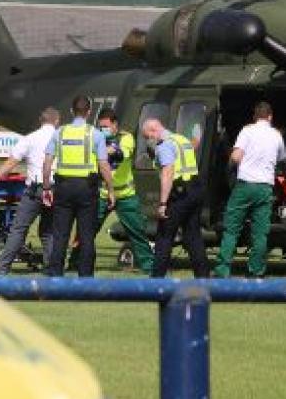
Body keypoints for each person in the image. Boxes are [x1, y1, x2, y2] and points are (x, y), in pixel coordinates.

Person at [41, 96, 116, 277]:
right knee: (86, 236)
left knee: (60, 235)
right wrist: (111, 190)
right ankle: (85, 277)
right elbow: (104, 165)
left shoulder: (60, 133)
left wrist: (46, 188)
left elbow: (47, 162)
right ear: (90, 112)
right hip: (87, 188)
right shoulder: (95, 135)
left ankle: (55, 275)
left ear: (71, 111)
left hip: (63, 187)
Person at [214, 101, 286, 277]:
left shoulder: (247, 131)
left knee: (231, 229)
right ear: (270, 117)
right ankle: (256, 270)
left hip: (244, 186)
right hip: (265, 188)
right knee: (260, 233)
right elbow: (282, 159)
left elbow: (237, 157)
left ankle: (223, 270)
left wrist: (229, 165)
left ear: (255, 116)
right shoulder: (277, 136)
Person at [0, 107, 60, 274]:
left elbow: (11, 162)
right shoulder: (61, 138)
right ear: (57, 121)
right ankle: (52, 270)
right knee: (48, 231)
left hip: (35, 189)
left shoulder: (30, 138)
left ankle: (2, 269)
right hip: (55, 189)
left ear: (41, 121)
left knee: (19, 229)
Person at [141, 117, 209, 277]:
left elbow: (168, 172)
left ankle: (156, 279)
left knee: (164, 236)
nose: (148, 141)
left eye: (147, 137)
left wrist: (163, 203)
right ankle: (203, 277)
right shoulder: (181, 139)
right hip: (196, 190)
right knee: (193, 236)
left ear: (153, 131)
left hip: (179, 193)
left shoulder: (165, 145)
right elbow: (193, 146)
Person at [93, 110, 154, 273]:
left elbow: (120, 154)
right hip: (103, 194)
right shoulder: (97, 138)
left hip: (125, 195)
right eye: (100, 127)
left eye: (105, 126)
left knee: (137, 231)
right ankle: (75, 263)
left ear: (115, 124)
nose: (102, 129)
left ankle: (149, 266)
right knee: (88, 230)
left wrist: (100, 150)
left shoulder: (126, 138)